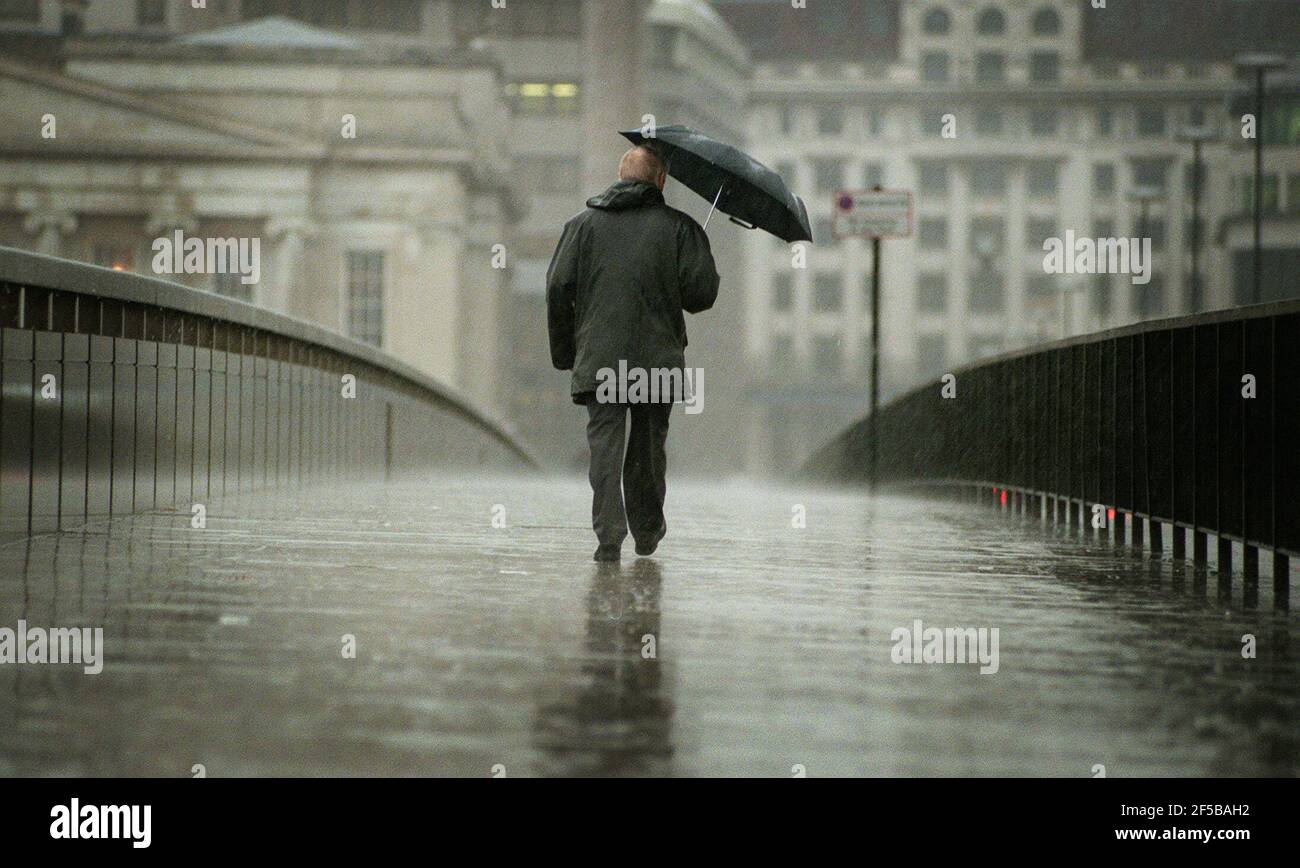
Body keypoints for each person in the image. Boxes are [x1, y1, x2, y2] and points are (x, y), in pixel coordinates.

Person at [546, 145, 719, 562]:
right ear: (660, 181)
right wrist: (701, 261)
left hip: (601, 359)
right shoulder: (680, 229)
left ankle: (609, 535)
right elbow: (701, 297)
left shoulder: (580, 226)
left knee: (604, 445)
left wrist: (567, 352)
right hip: (656, 362)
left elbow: (557, 288)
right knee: (647, 447)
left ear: (620, 177)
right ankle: (647, 530)